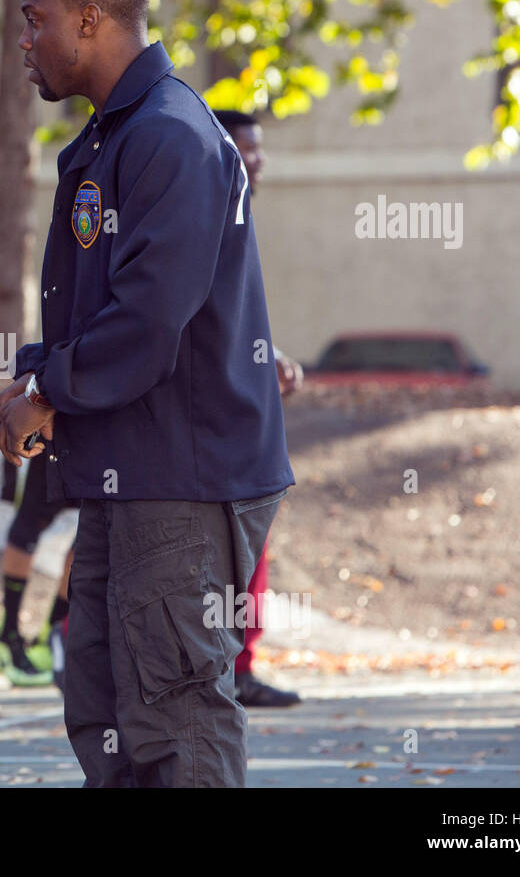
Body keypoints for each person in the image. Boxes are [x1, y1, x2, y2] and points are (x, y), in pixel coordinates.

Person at [0, 0, 293, 788]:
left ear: (90, 19)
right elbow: (92, 305)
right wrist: (36, 374)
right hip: (127, 471)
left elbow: (149, 323)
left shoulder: (171, 135)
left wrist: (48, 388)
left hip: (183, 479)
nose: (24, 40)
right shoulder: (108, 139)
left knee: (173, 719)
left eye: (35, 20)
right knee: (106, 713)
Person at [213, 109, 303, 708]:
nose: (257, 159)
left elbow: (235, 314)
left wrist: (269, 354)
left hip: (247, 418)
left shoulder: (239, 216)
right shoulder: (202, 213)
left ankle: (240, 667)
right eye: (247, 149)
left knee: (253, 546)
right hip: (212, 420)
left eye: (260, 149)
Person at [0, 454, 76, 687]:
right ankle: (7, 635)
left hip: (107, 434)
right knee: (31, 522)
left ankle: (52, 637)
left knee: (94, 528)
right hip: (59, 430)